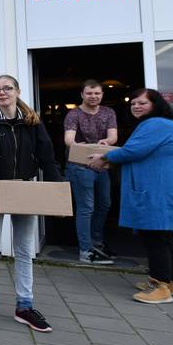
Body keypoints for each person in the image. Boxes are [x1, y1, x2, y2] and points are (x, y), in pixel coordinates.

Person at [88, 88, 173, 304]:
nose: (136, 107)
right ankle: (172, 282)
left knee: (154, 236)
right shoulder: (166, 124)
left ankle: (160, 287)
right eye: (133, 103)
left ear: (155, 105)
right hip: (166, 190)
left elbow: (133, 151)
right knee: (164, 236)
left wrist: (105, 157)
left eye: (142, 103)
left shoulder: (155, 124)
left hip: (158, 191)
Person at [0, 74, 61, 333]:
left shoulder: (32, 121)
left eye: (7, 88)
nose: (2, 93)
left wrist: (58, 193)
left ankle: (24, 307)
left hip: (24, 189)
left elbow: (47, 158)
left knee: (24, 250)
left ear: (17, 91)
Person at [63, 79, 118, 264]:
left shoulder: (108, 112)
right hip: (80, 165)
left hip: (101, 164)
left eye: (97, 93)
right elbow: (68, 139)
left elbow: (113, 136)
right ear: (82, 95)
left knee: (105, 204)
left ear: (102, 95)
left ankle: (97, 243)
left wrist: (107, 142)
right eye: (89, 93)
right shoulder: (73, 114)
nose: (93, 96)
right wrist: (78, 146)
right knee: (86, 208)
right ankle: (85, 250)